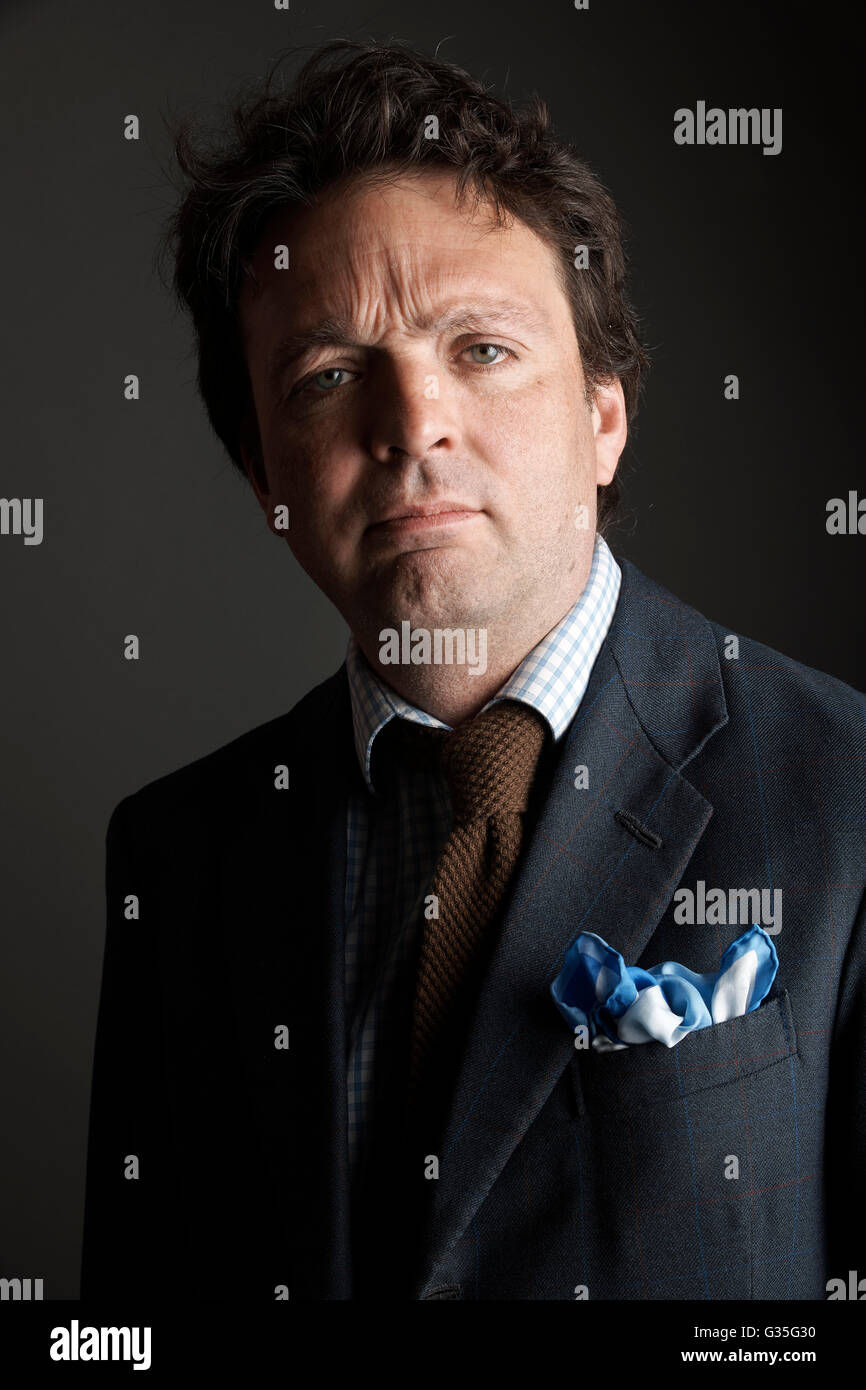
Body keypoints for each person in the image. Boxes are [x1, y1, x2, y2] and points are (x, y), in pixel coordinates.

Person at [81, 38, 865, 1301]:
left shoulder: (847, 794)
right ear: (264, 475)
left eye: (481, 350)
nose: (412, 425)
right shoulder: (177, 859)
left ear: (603, 413)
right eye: (329, 375)